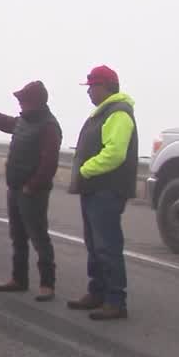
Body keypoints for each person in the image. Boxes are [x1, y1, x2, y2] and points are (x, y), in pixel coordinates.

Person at [0, 80, 63, 301]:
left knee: (38, 237)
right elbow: (4, 121)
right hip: (15, 188)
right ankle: (19, 279)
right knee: (17, 236)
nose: (20, 105)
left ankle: (47, 284)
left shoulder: (48, 126)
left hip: (32, 192)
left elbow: (49, 163)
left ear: (34, 103)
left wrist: (32, 186)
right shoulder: (23, 121)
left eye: (23, 101)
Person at [67, 65, 138, 320]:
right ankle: (96, 291)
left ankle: (115, 300)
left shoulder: (118, 114)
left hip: (106, 189)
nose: (89, 92)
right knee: (95, 244)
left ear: (105, 87)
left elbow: (115, 153)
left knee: (107, 245)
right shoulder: (103, 113)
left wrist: (86, 169)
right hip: (94, 189)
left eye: (92, 87)